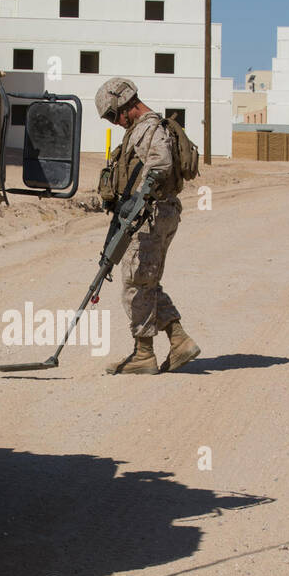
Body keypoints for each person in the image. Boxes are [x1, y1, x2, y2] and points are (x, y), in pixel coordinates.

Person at [95, 77, 201, 375]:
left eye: (114, 115)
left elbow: (160, 165)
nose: (115, 122)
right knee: (145, 280)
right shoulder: (143, 129)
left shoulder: (147, 129)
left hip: (151, 215)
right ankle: (179, 340)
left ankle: (144, 353)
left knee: (135, 283)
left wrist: (137, 201)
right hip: (156, 213)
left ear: (125, 104)